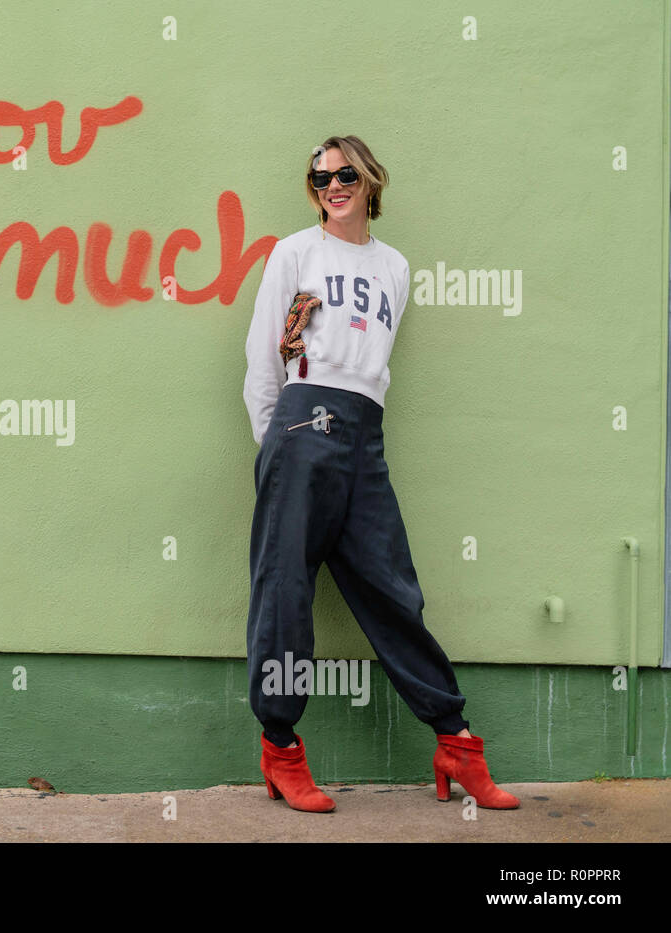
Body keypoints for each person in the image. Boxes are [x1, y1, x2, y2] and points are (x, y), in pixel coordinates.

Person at [242, 136, 519, 813]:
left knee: (393, 588)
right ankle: (280, 750)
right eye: (319, 177)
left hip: (365, 432)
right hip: (303, 425)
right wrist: (276, 445)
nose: (332, 185)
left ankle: (455, 740)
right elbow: (263, 354)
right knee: (285, 593)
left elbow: (374, 362)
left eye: (344, 174)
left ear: (369, 181)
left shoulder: (395, 266)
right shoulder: (295, 252)